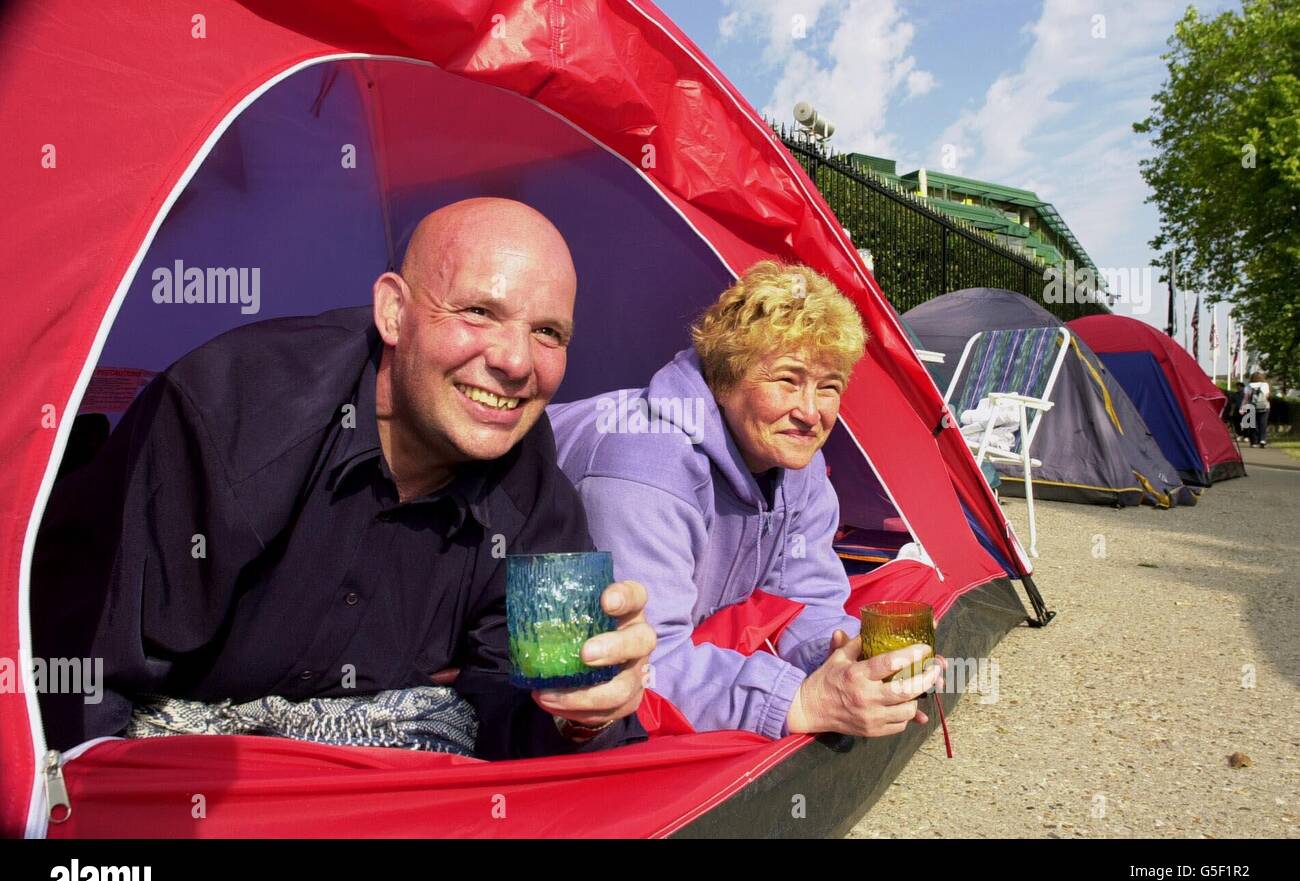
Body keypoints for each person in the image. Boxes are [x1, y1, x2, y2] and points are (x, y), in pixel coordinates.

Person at [32, 198, 656, 760]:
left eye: (548, 332)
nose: (516, 363)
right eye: (478, 311)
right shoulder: (227, 415)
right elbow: (76, 689)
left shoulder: (536, 492)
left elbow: (523, 723)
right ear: (393, 311)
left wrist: (584, 712)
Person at [548, 261, 941, 741]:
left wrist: (844, 659)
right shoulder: (642, 463)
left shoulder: (798, 463)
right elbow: (641, 663)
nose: (810, 412)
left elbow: (804, 600)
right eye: (787, 380)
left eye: (829, 387)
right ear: (724, 379)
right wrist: (802, 700)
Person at [1245, 371, 1271, 447]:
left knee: (1253, 424)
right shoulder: (1265, 385)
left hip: (1252, 407)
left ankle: (1254, 442)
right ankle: (1262, 440)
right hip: (1264, 406)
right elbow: (1267, 396)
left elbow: (1246, 398)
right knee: (1263, 424)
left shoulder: (1249, 386)